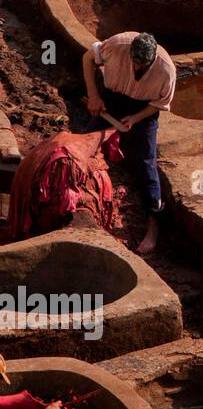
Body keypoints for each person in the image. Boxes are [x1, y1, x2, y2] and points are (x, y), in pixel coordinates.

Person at [81, 31, 175, 253]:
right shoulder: (117, 45)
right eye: (135, 63)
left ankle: (153, 223)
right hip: (113, 98)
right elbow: (87, 59)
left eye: (143, 66)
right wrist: (93, 95)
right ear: (130, 52)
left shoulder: (166, 70)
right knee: (85, 144)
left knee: (145, 161)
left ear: (152, 59)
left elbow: (160, 103)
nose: (137, 69)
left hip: (144, 109)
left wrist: (136, 118)